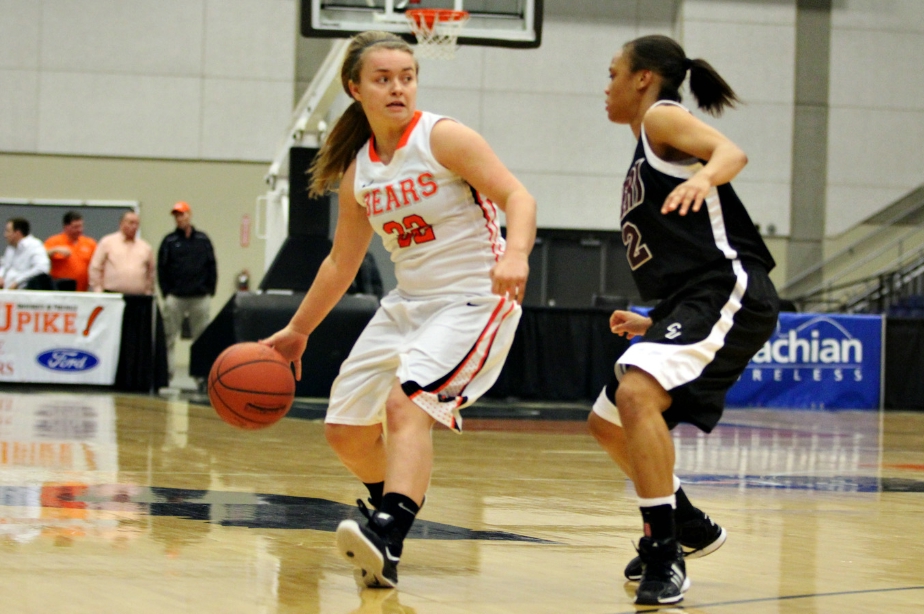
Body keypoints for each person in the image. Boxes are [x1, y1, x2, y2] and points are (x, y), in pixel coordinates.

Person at [262, 31, 536, 591]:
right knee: (343, 430)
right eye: (383, 79)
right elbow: (341, 263)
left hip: (474, 297)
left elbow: (519, 197)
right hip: (408, 303)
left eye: (406, 77)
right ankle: (390, 506)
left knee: (407, 404)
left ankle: (389, 531)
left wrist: (516, 252)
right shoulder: (359, 170)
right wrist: (297, 330)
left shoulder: (443, 137)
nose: (397, 88)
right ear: (354, 87)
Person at [588, 35, 779, 606]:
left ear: (644, 78)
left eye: (614, 72)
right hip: (688, 302)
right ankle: (688, 523)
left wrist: (705, 176)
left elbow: (731, 154)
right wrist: (657, 322)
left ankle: (664, 550)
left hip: (727, 288)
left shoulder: (662, 118)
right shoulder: (645, 148)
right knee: (606, 423)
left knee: (636, 395)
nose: (607, 84)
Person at [158, 201, 218, 379]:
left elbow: (211, 265)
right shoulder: (169, 241)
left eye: (182, 214)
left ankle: (200, 375)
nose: (179, 218)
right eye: (176, 215)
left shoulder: (202, 239)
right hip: (176, 297)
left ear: (189, 215)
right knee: (169, 335)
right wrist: (167, 292)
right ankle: (166, 373)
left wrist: (210, 290)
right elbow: (162, 268)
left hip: (199, 297)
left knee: (200, 338)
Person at [89, 211, 155, 295]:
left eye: (137, 224)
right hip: (112, 296)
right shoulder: (107, 242)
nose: (134, 226)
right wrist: (98, 290)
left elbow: (151, 272)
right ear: (121, 223)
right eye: (131, 223)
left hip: (137, 297)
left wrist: (148, 291)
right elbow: (95, 267)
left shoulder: (145, 247)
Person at [44, 211, 97, 291]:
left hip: (82, 291)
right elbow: (41, 256)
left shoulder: (90, 243)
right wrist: (55, 250)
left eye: (81, 226)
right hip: (59, 290)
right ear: (66, 227)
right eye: (75, 227)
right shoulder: (54, 241)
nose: (79, 230)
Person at [1, 218, 51, 290]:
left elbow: (42, 268)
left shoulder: (34, 245)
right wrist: (1, 276)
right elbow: (5, 266)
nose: (5, 235)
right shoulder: (11, 248)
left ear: (17, 233)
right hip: (7, 292)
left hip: (24, 292)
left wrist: (18, 281)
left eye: (8, 231)